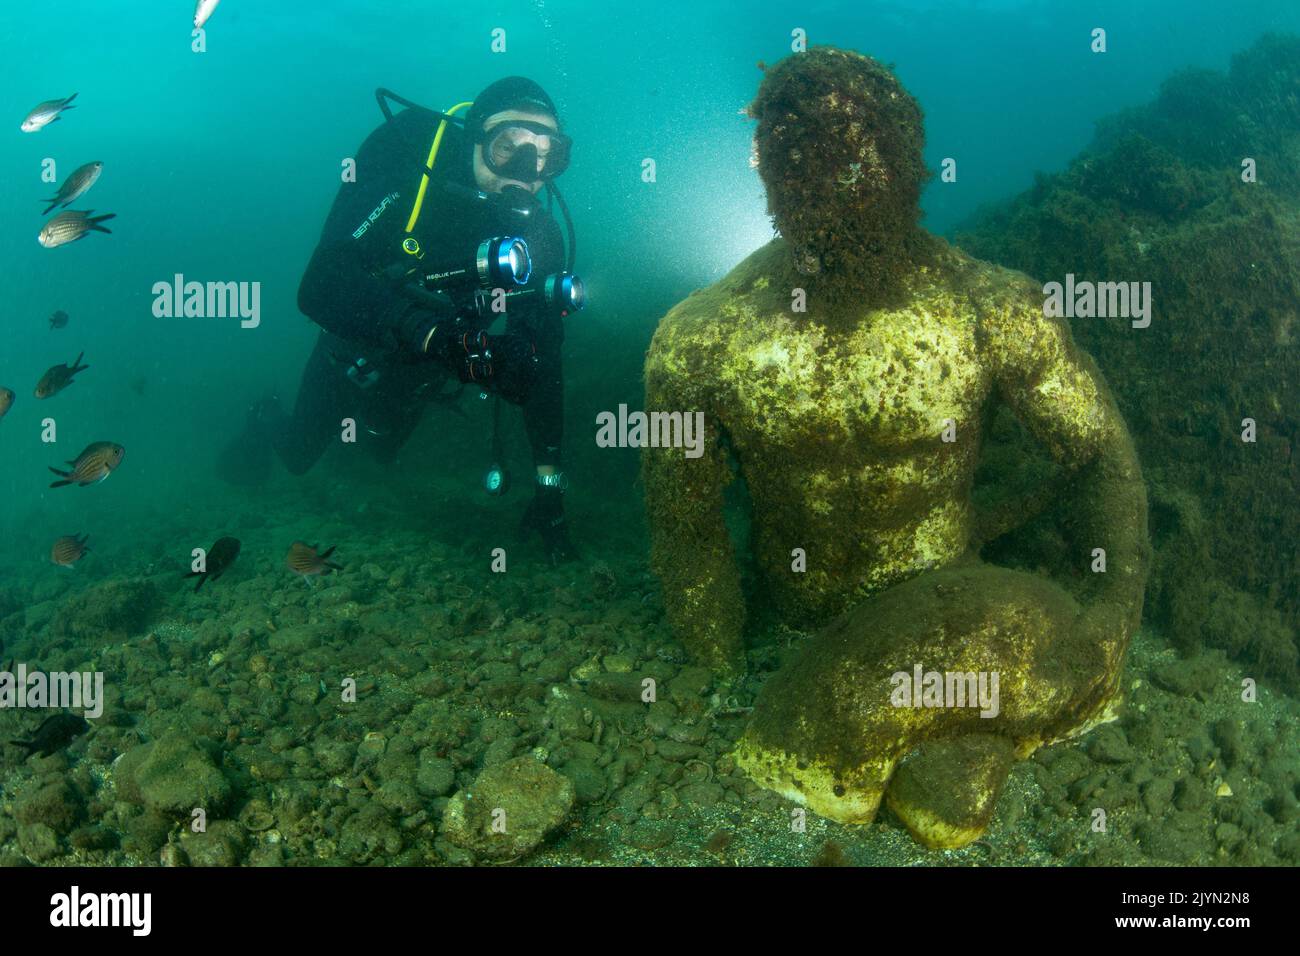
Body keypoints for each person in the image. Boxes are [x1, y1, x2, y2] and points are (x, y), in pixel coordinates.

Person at [643, 47, 1149, 846]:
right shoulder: (702, 339)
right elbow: (685, 522)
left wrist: (1116, 613)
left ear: (909, 152)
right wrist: (717, 663)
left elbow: (1099, 454)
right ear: (764, 166)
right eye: (794, 145)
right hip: (795, 628)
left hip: (955, 620)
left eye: (852, 143)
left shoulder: (992, 309)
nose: (824, 170)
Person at [224, 77, 580, 563]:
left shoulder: (539, 235)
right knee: (299, 456)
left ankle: (363, 432)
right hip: (355, 342)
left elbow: (546, 361)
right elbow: (320, 284)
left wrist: (549, 492)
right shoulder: (409, 152)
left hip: (426, 364)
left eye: (546, 156)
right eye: (506, 147)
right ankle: (264, 417)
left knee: (380, 448)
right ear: (474, 134)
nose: (526, 172)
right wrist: (430, 333)